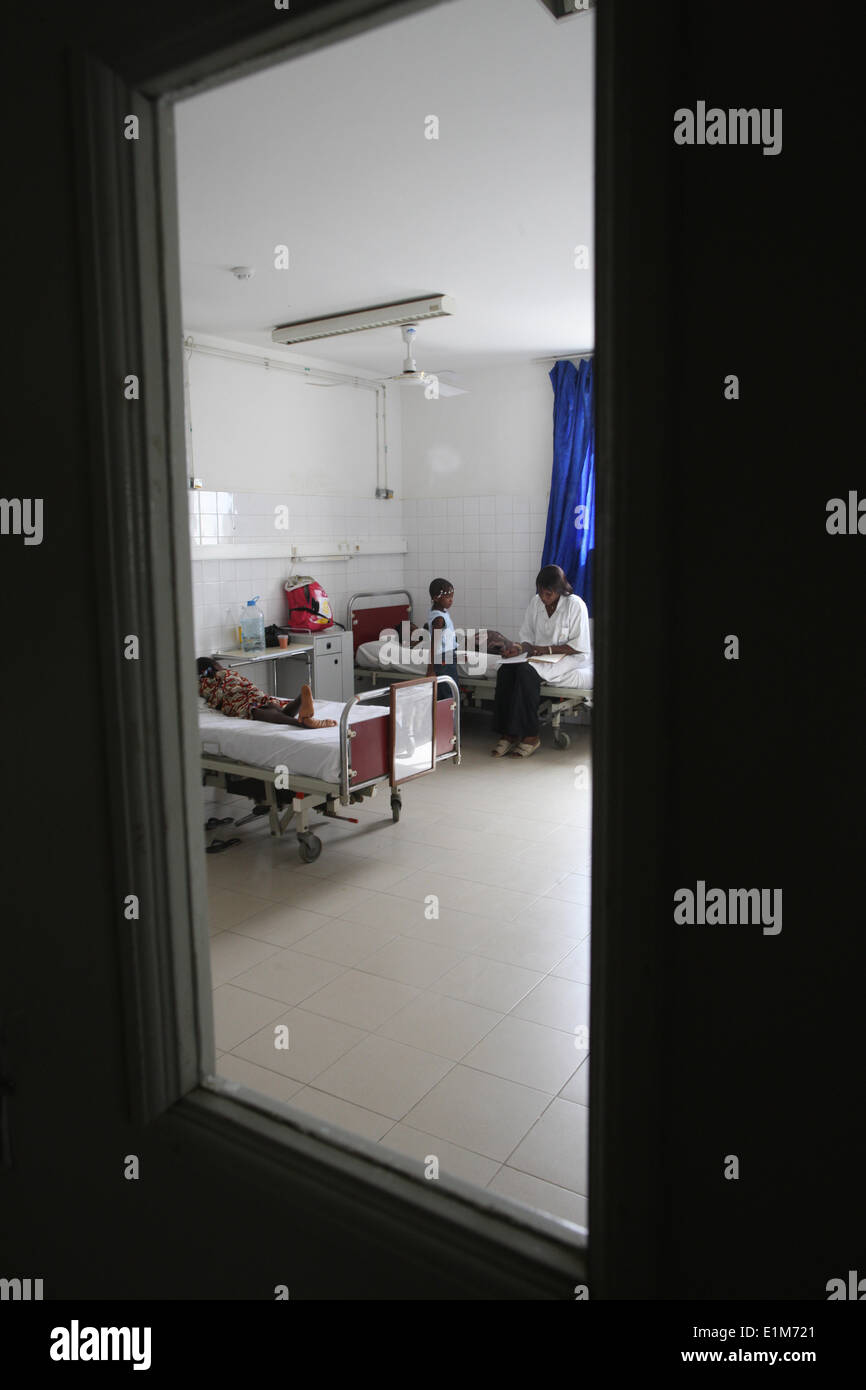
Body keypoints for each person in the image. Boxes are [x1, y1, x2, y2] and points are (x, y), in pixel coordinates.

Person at [491, 564, 591, 757]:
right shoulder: (536, 602)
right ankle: (507, 734)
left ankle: (530, 735)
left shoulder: (575, 605)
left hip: (570, 656)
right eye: (540, 593)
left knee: (527, 672)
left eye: (548, 594)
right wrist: (517, 648)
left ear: (560, 590)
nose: (544, 599)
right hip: (540, 654)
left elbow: (578, 645)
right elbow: (528, 637)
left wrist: (545, 649)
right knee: (505, 670)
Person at [196, 658, 336, 728]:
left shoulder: (204, 683)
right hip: (253, 693)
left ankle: (302, 723)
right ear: (215, 666)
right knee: (274, 707)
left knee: (257, 712)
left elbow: (213, 695)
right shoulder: (229, 673)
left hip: (236, 699)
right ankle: (300, 700)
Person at [424, 578, 459, 697]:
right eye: (448, 597)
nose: (451, 600)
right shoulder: (439, 619)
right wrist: (431, 669)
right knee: (448, 693)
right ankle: (448, 715)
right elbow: (435, 643)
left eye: (452, 596)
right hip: (443, 659)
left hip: (447, 655)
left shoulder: (440, 611)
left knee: (449, 691)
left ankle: (448, 714)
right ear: (436, 598)